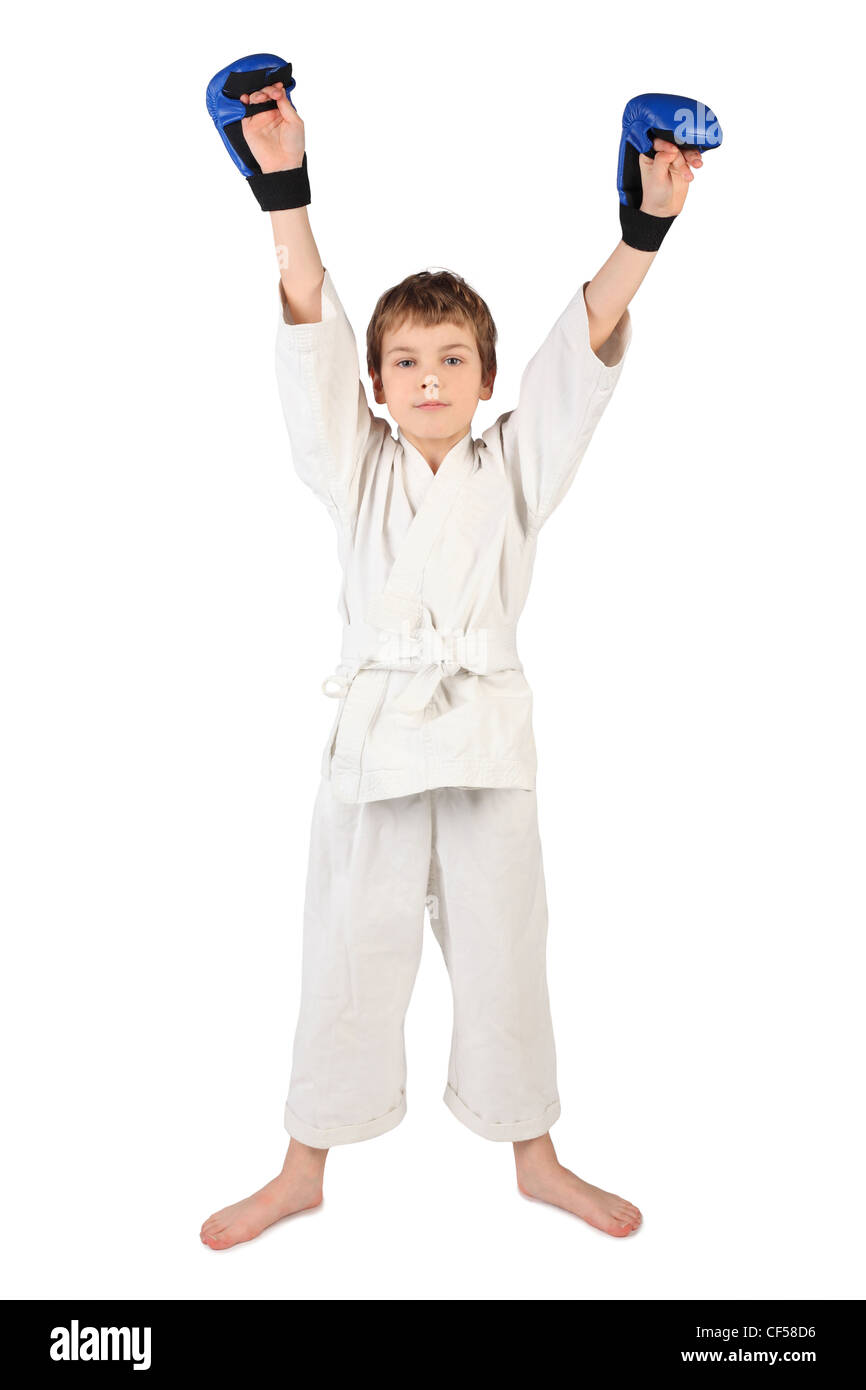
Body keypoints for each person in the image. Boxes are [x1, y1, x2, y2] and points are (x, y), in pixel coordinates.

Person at [201, 77, 702, 1250]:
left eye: (452, 359)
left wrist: (645, 227)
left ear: (484, 383)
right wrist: (284, 187)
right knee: (343, 949)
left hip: (482, 742)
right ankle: (300, 1163)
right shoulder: (355, 468)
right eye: (405, 361)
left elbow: (576, 360)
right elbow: (307, 337)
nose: (428, 375)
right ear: (377, 387)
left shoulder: (514, 473)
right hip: (375, 743)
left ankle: (534, 1154)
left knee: (505, 947)